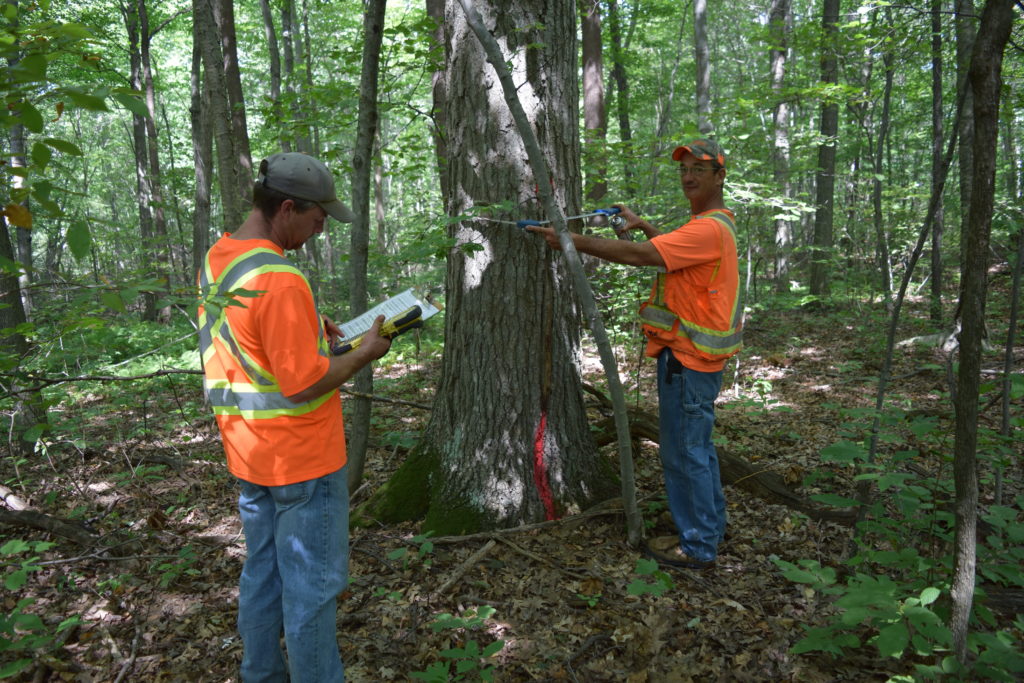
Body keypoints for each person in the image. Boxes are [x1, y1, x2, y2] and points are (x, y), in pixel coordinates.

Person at [197, 152, 392, 681]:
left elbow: (250, 340)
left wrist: (309, 330)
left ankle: (260, 675)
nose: (320, 229)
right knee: (311, 590)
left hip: (248, 451)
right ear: (287, 208)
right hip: (302, 460)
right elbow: (302, 382)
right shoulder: (281, 278)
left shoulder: (222, 257)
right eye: (317, 219)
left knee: (263, 573)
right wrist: (364, 353)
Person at [528, 138, 741, 570]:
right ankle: (709, 527)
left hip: (688, 361)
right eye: (684, 169)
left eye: (700, 168)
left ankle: (698, 546)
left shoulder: (707, 228)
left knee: (685, 452)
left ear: (720, 176)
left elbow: (641, 257)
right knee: (695, 448)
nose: (689, 176)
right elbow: (669, 254)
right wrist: (644, 225)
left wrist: (571, 241)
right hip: (693, 360)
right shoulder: (713, 225)